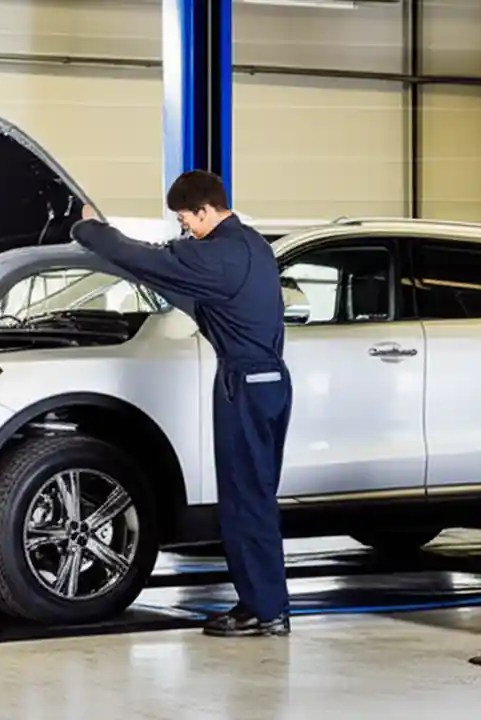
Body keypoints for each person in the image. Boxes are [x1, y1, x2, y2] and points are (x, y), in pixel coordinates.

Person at [70, 170, 292, 638]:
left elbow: (144, 255)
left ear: (205, 210)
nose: (184, 228)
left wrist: (89, 230)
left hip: (244, 383)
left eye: (186, 219)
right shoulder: (253, 247)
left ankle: (265, 610)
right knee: (256, 498)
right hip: (267, 381)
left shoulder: (219, 253)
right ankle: (266, 604)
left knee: (242, 500)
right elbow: (195, 294)